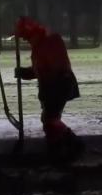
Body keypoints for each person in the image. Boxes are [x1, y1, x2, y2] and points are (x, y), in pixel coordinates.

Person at [14, 17, 84, 164]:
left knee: (50, 120)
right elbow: (40, 69)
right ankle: (57, 148)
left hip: (59, 85)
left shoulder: (51, 42)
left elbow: (55, 69)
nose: (25, 40)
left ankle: (70, 146)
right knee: (49, 120)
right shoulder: (39, 45)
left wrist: (47, 89)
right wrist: (25, 73)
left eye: (25, 36)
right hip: (51, 87)